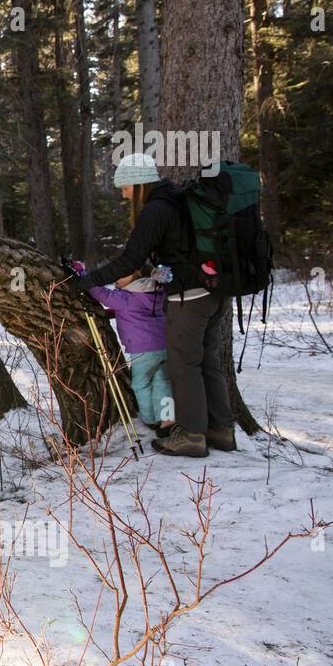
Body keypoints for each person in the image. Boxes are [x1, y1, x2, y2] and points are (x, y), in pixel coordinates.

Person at [71, 153, 236, 458]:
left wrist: (87, 281)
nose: (122, 193)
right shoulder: (180, 201)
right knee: (207, 360)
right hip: (217, 291)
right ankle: (221, 431)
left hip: (191, 295)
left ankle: (191, 436)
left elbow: (129, 261)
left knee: (183, 365)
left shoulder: (156, 210)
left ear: (137, 183)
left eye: (124, 187)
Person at [69, 260, 173, 436]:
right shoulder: (158, 293)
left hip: (143, 350)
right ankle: (167, 419)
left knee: (141, 383)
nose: (118, 276)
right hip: (165, 346)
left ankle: (150, 419)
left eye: (124, 273)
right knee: (162, 381)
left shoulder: (126, 298)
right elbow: (139, 312)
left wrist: (83, 275)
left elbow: (99, 293)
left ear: (136, 278)